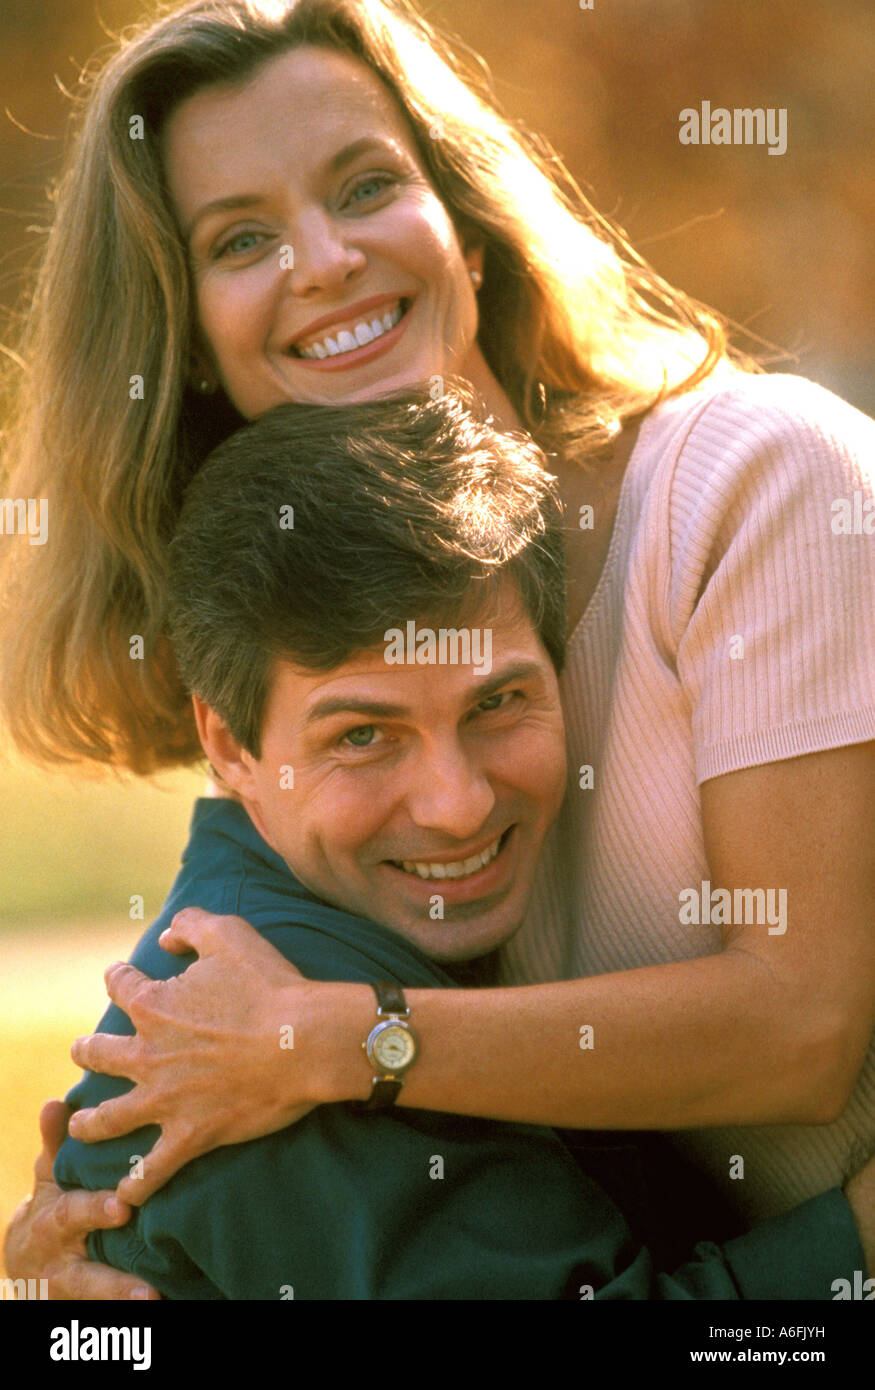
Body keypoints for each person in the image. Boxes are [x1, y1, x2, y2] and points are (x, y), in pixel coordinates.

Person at [1, 0, 872, 1298]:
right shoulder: (322, 626)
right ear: (184, 345)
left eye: (364, 185)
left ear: (463, 233)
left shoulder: (754, 485)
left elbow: (800, 1027)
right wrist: (114, 1226)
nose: (325, 259)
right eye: (240, 237)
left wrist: (345, 1041)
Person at [52, 394, 874, 1299]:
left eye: (495, 704)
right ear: (230, 747)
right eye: (362, 736)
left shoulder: (331, 949)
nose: (459, 805)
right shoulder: (228, 1053)